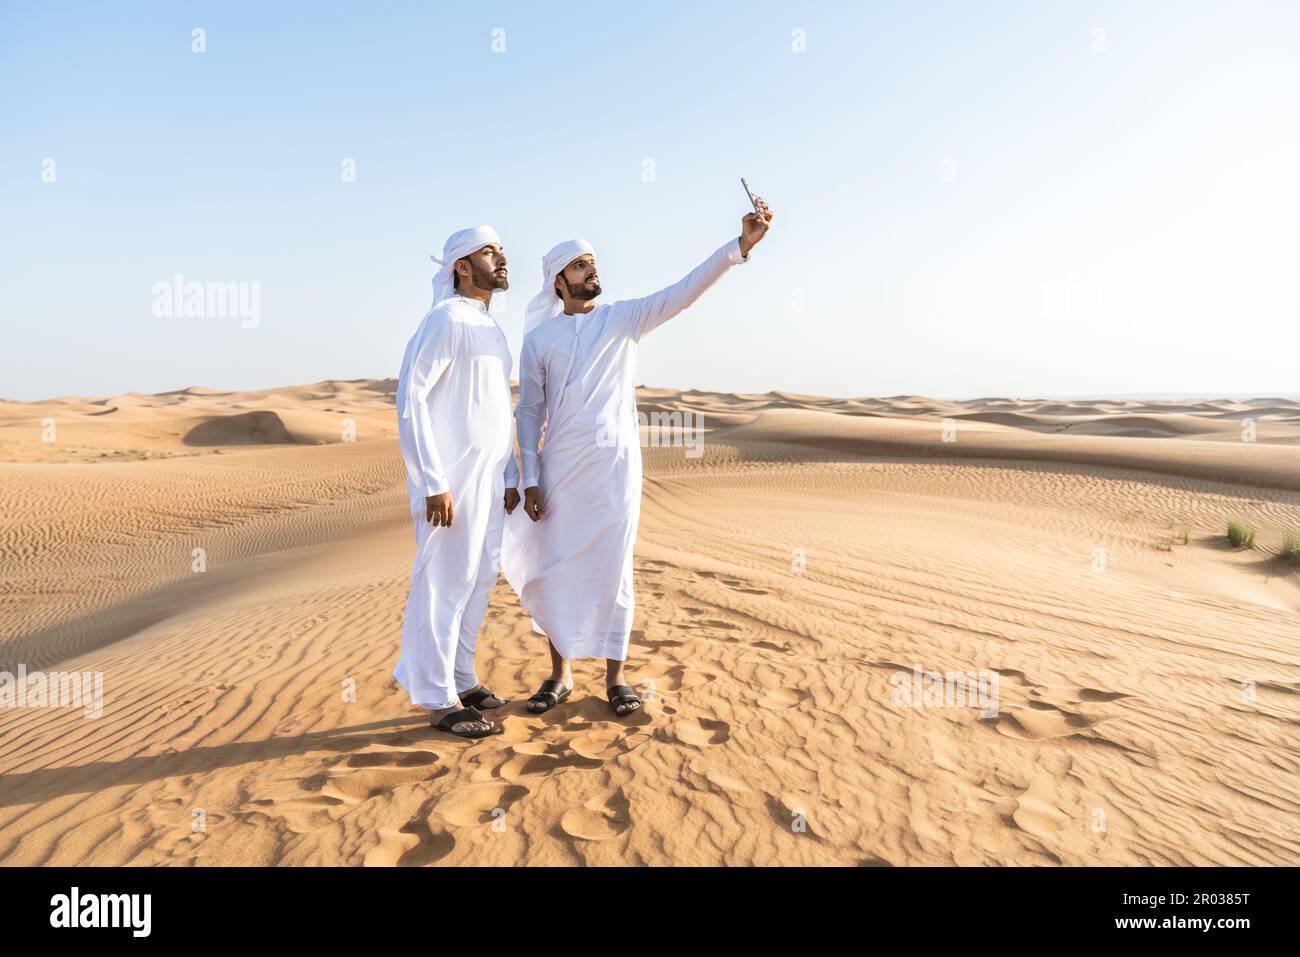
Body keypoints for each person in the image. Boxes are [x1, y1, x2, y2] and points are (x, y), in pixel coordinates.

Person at [503, 197, 773, 716]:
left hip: (615, 468)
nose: (592, 270)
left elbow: (683, 293)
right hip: (559, 468)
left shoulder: (624, 319)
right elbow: (530, 411)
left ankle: (616, 678)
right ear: (559, 281)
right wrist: (531, 476)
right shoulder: (539, 338)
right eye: (581, 265)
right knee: (555, 566)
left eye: (593, 263)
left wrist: (740, 246)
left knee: (612, 567)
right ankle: (558, 676)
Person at [393, 225, 521, 738]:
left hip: (489, 479)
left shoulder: (490, 326)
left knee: (479, 578)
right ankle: (436, 697)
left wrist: (510, 472)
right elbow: (412, 398)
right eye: (490, 252)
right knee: (444, 581)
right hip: (451, 479)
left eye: (501, 250)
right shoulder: (444, 319)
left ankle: (462, 678)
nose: (501, 257)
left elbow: (498, 410)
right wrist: (432, 481)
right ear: (461, 267)